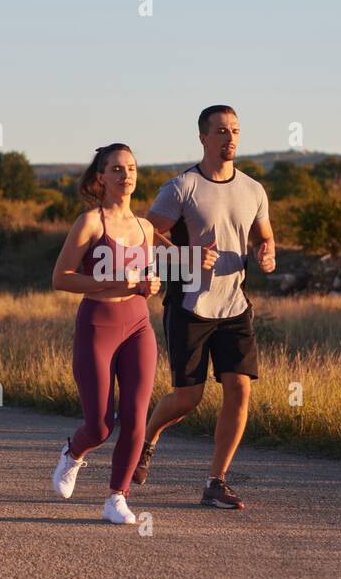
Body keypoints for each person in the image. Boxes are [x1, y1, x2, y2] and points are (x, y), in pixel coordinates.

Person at [134, 105, 275, 510]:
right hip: (191, 307)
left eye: (235, 130)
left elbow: (265, 237)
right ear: (203, 138)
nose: (230, 138)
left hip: (235, 306)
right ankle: (147, 439)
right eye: (221, 131)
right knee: (186, 399)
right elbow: (146, 234)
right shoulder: (182, 187)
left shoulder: (253, 190)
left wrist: (267, 253)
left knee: (239, 388)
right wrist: (187, 255)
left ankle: (216, 481)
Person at [50, 144, 161, 524]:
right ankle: (73, 453)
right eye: (116, 169)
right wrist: (113, 279)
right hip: (98, 324)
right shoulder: (90, 223)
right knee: (99, 424)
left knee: (136, 418)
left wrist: (151, 283)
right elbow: (60, 278)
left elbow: (148, 276)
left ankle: (117, 497)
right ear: (101, 177)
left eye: (130, 168)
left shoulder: (146, 227)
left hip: (138, 326)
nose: (125, 175)